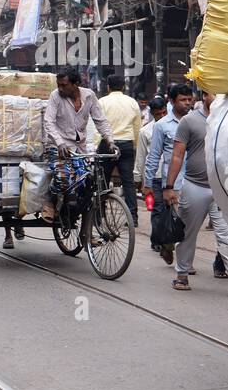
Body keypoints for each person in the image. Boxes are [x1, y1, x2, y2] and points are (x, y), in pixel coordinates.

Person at [162, 90, 228, 294]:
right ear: (203, 97)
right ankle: (182, 275)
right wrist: (169, 186)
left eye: (220, 95)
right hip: (194, 186)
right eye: (212, 94)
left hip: (222, 188)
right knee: (187, 233)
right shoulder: (189, 121)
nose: (217, 98)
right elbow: (177, 155)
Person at [42, 69, 115, 223]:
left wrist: (110, 140)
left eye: (64, 85)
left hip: (79, 148)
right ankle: (50, 199)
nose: (60, 88)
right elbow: (48, 121)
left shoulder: (89, 96)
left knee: (88, 185)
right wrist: (59, 142)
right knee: (63, 178)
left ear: (76, 84)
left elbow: (100, 120)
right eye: (58, 85)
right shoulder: (55, 96)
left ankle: (86, 232)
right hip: (57, 146)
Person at [146, 84, 191, 258]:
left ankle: (183, 260)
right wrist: (148, 183)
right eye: (183, 99)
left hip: (194, 181)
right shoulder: (162, 126)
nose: (187, 103)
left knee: (189, 223)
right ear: (172, 101)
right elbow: (154, 156)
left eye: (189, 99)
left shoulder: (196, 121)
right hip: (173, 183)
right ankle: (172, 249)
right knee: (177, 220)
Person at [98, 74, 142, 226]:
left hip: (106, 144)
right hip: (126, 143)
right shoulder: (132, 103)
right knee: (128, 182)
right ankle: (133, 217)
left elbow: (97, 126)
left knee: (102, 181)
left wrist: (96, 146)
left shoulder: (102, 102)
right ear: (123, 87)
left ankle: (99, 215)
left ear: (108, 87)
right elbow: (137, 128)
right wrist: (134, 146)